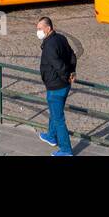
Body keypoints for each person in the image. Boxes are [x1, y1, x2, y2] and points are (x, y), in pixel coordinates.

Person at [36, 16, 77, 157]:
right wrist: (72, 71)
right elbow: (72, 56)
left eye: (40, 29)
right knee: (55, 112)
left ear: (48, 28)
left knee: (59, 119)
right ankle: (51, 136)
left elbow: (57, 65)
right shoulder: (61, 38)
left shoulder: (49, 46)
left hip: (56, 87)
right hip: (64, 86)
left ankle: (66, 150)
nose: (38, 32)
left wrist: (66, 74)